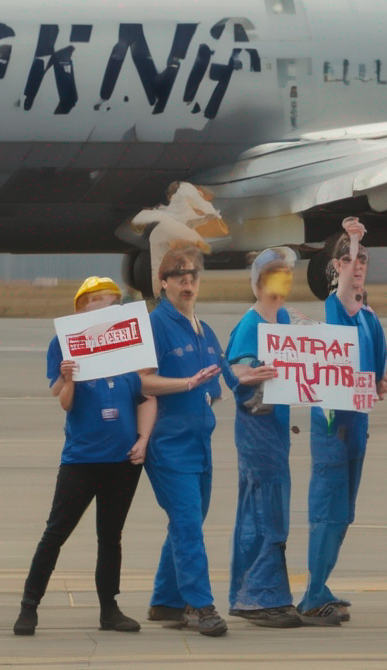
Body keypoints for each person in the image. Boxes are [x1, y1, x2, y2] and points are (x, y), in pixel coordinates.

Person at [13, 277, 157, 636]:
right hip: (82, 459)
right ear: (83, 307)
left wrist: (142, 439)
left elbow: (144, 393)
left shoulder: (126, 343)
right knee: (55, 533)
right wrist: (69, 377)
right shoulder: (62, 344)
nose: (107, 307)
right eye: (99, 301)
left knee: (110, 536)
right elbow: (64, 402)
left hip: (122, 460)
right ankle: (29, 606)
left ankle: (110, 609)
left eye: (112, 301)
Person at [297, 219, 387, 623]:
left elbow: (381, 376)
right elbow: (344, 285)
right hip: (333, 422)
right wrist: (353, 238)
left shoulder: (369, 318)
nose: (358, 264)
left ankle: (322, 582)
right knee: (327, 509)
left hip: (359, 421)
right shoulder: (336, 307)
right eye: (351, 259)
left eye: (364, 259)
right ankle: (312, 597)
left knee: (345, 511)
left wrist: (381, 382)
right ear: (336, 266)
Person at [137, 246, 234, 637]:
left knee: (187, 522)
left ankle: (166, 601)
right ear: (163, 283)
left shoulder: (204, 331)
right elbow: (141, 380)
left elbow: (228, 378)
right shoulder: (155, 326)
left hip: (200, 442)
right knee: (189, 524)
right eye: (178, 276)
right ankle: (200, 605)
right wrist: (185, 384)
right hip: (168, 443)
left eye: (193, 275)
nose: (187, 282)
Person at [226, 249, 325, 628]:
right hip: (256, 428)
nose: (281, 285)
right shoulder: (251, 324)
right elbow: (234, 368)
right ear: (257, 282)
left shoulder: (285, 318)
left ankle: (268, 593)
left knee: (274, 507)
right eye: (274, 277)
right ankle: (256, 597)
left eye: (286, 277)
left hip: (277, 430)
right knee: (262, 508)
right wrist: (251, 372)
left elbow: (316, 344)